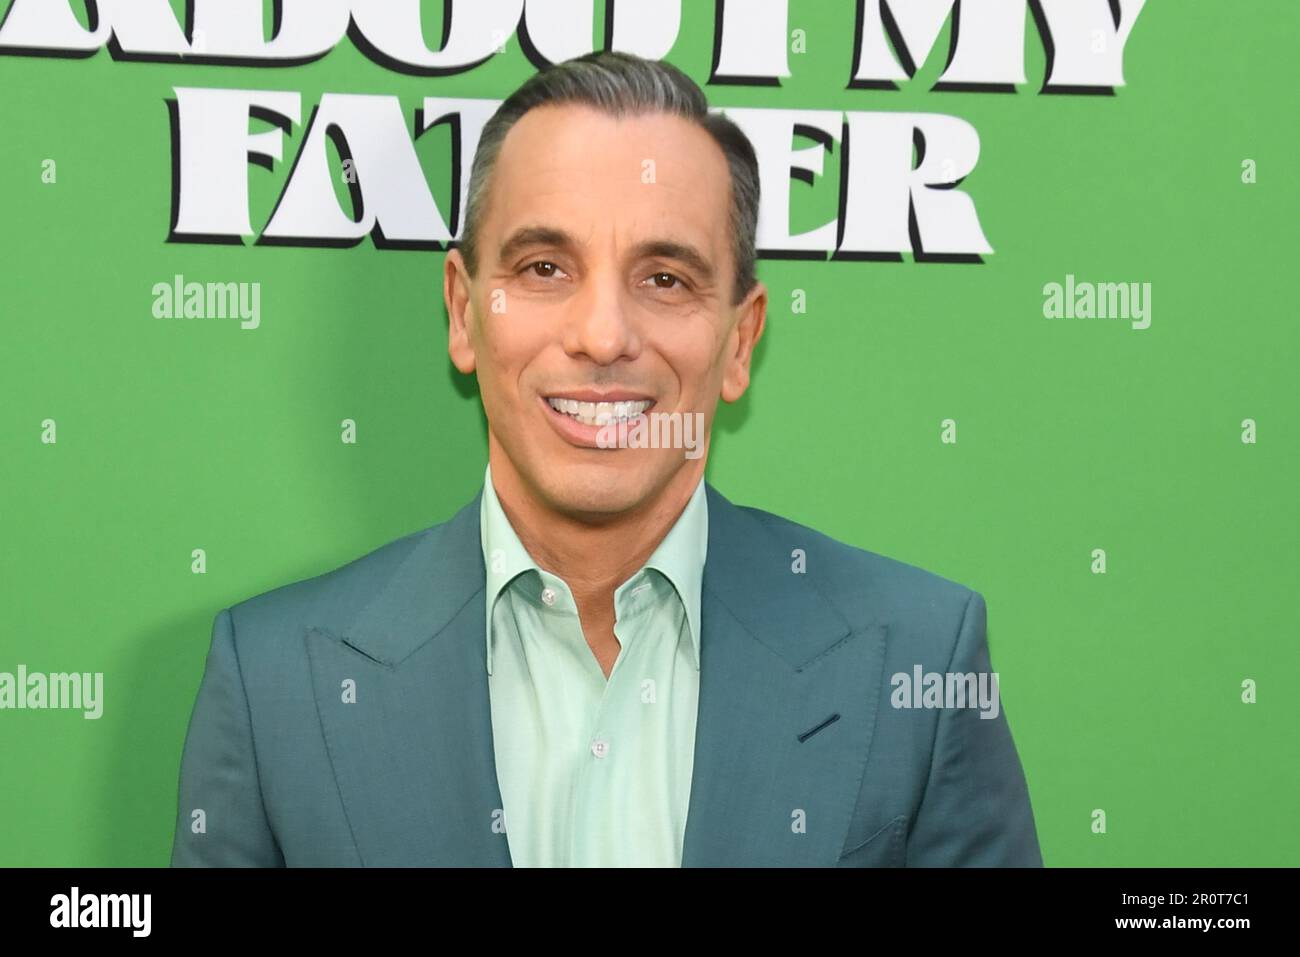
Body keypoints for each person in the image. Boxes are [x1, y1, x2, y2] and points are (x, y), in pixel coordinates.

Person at [170, 50, 1041, 867]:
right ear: (461, 313)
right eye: (545, 266)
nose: (601, 336)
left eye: (664, 278)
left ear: (741, 342)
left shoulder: (919, 663)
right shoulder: (274, 684)